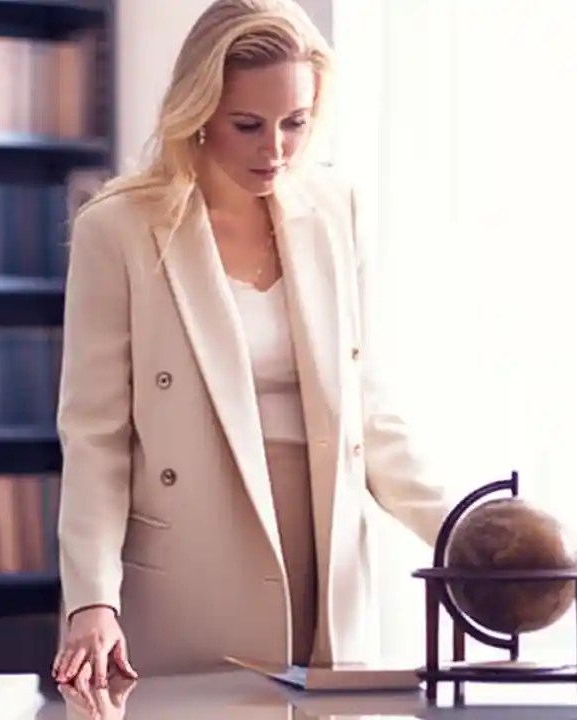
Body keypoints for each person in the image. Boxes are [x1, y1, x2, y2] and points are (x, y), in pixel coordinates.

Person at [50, 0, 457, 689]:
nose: (275, 150)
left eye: (296, 123)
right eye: (248, 125)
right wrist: (92, 598)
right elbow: (95, 435)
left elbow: (367, 412)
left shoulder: (337, 210)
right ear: (200, 111)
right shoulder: (117, 229)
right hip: (192, 565)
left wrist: (461, 529)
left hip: (326, 559)